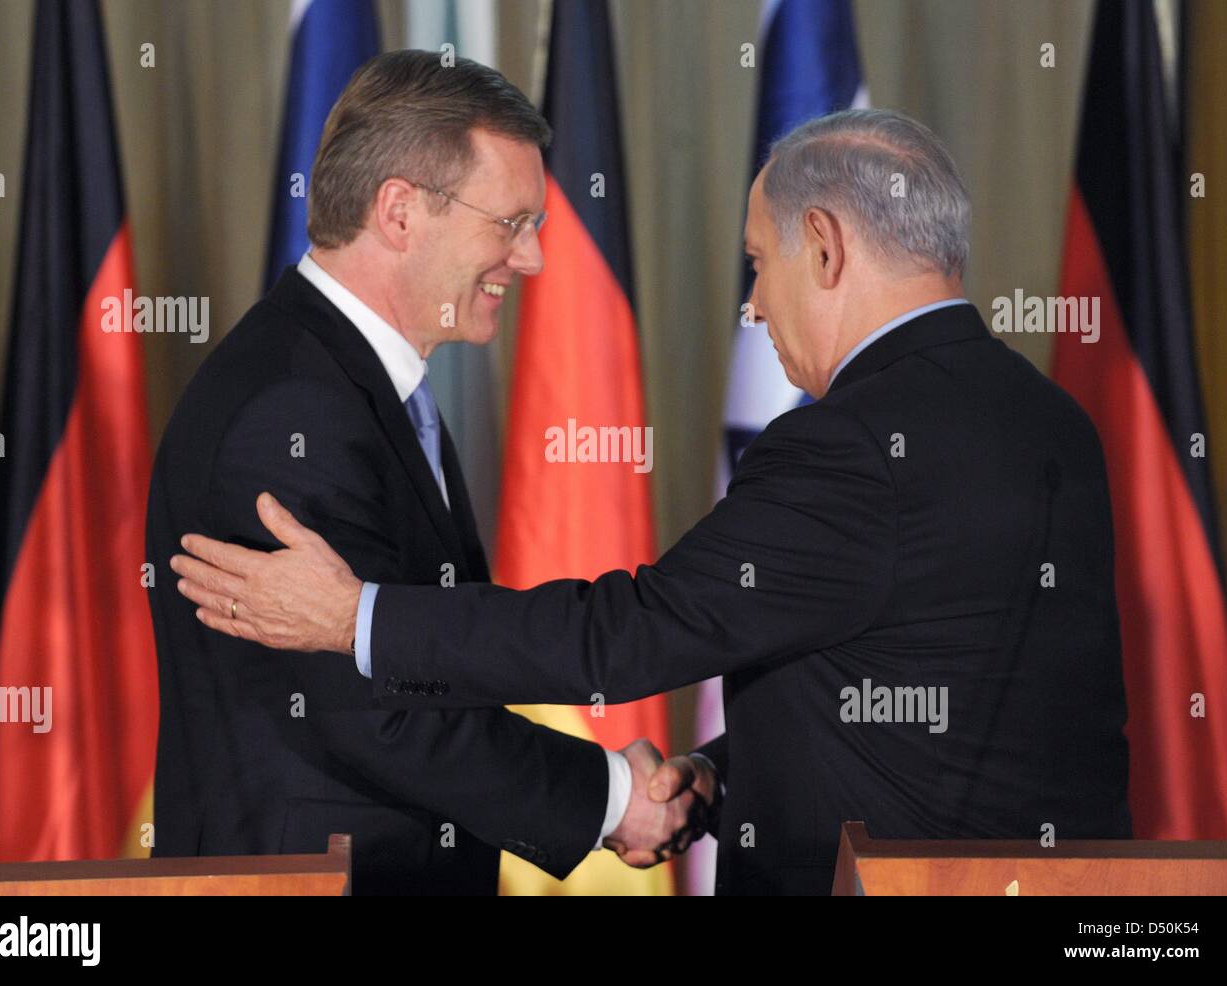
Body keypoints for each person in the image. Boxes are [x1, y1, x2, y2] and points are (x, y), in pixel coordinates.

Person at [174, 108, 1133, 895]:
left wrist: (355, 617)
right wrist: (713, 774)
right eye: (511, 223)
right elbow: (910, 680)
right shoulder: (1056, 423)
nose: (752, 306)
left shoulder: (845, 445)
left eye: (759, 263)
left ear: (826, 247)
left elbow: (629, 632)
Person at [147, 50, 700, 896]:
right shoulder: (294, 406)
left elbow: (414, 649)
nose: (534, 260)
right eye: (511, 223)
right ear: (400, 211)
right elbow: (373, 712)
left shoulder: (346, 381)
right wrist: (615, 798)